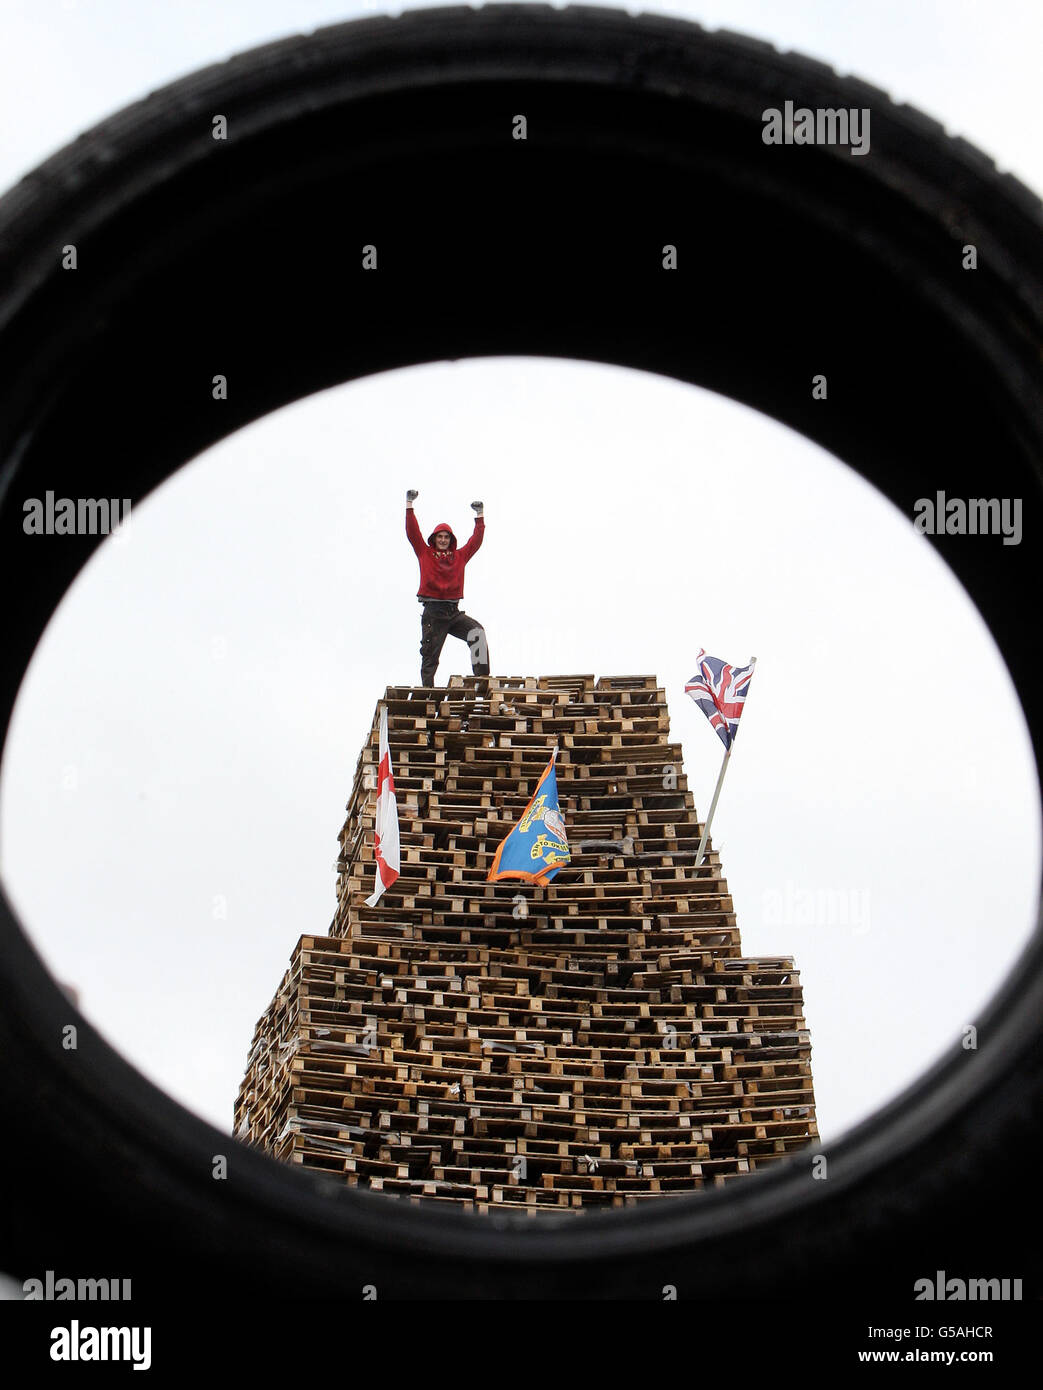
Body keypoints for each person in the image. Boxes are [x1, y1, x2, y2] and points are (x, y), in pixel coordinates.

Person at [405, 489, 490, 688]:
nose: (443, 540)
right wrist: (409, 505)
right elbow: (412, 532)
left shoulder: (459, 557)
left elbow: (475, 542)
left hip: (453, 612)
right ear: (434, 539)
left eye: (446, 537)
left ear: (451, 540)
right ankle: (428, 693)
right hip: (433, 614)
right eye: (440, 537)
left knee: (477, 633)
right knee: (430, 657)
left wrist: (480, 516)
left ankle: (483, 682)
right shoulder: (425, 553)